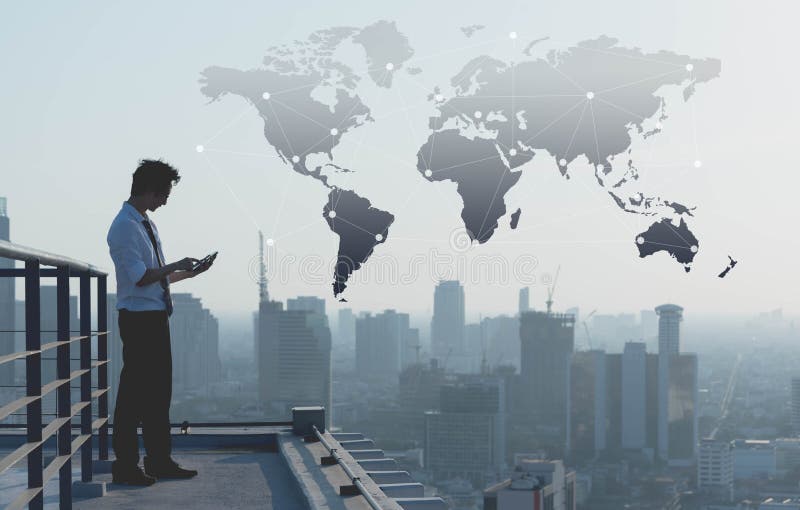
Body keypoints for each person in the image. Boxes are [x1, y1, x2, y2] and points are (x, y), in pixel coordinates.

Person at [107, 159, 215, 485]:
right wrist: (175, 266)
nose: (165, 200)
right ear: (150, 190)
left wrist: (190, 272)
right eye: (164, 193)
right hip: (139, 320)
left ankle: (159, 460)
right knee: (133, 396)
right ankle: (126, 465)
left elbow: (157, 278)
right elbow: (140, 278)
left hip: (154, 317)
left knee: (157, 394)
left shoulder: (145, 224)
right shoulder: (124, 226)